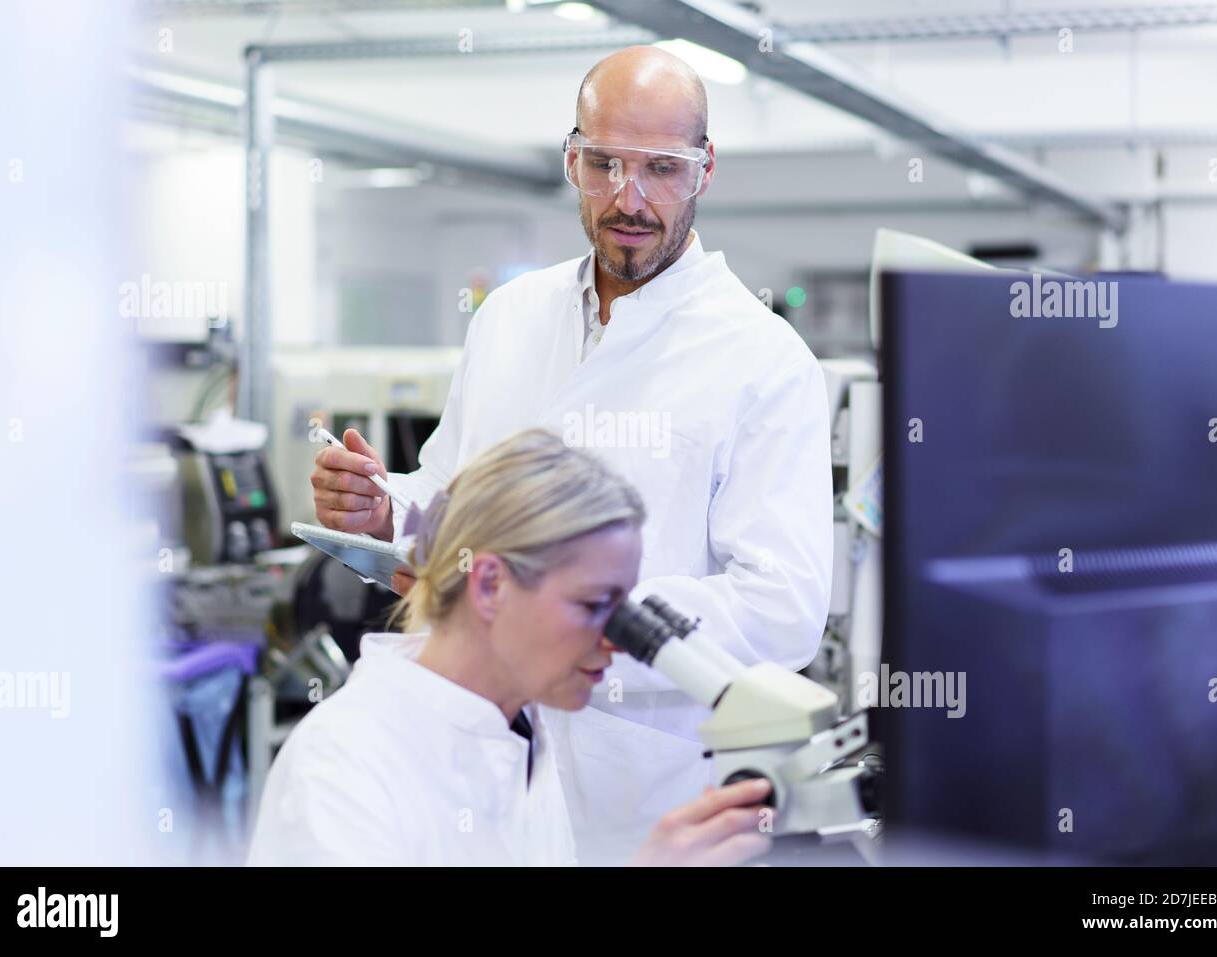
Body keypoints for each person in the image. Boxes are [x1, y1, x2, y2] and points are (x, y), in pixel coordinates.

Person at [311, 45, 833, 860]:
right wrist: (388, 506)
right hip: (479, 739)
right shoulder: (510, 318)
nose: (629, 197)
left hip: (644, 772)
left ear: (705, 169)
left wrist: (587, 616)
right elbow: (457, 496)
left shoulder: (763, 361)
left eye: (662, 168)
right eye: (603, 164)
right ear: (570, 158)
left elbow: (783, 608)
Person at [249, 430, 774, 866]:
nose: (616, 641)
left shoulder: (521, 734)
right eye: (595, 606)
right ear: (489, 585)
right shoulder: (343, 769)